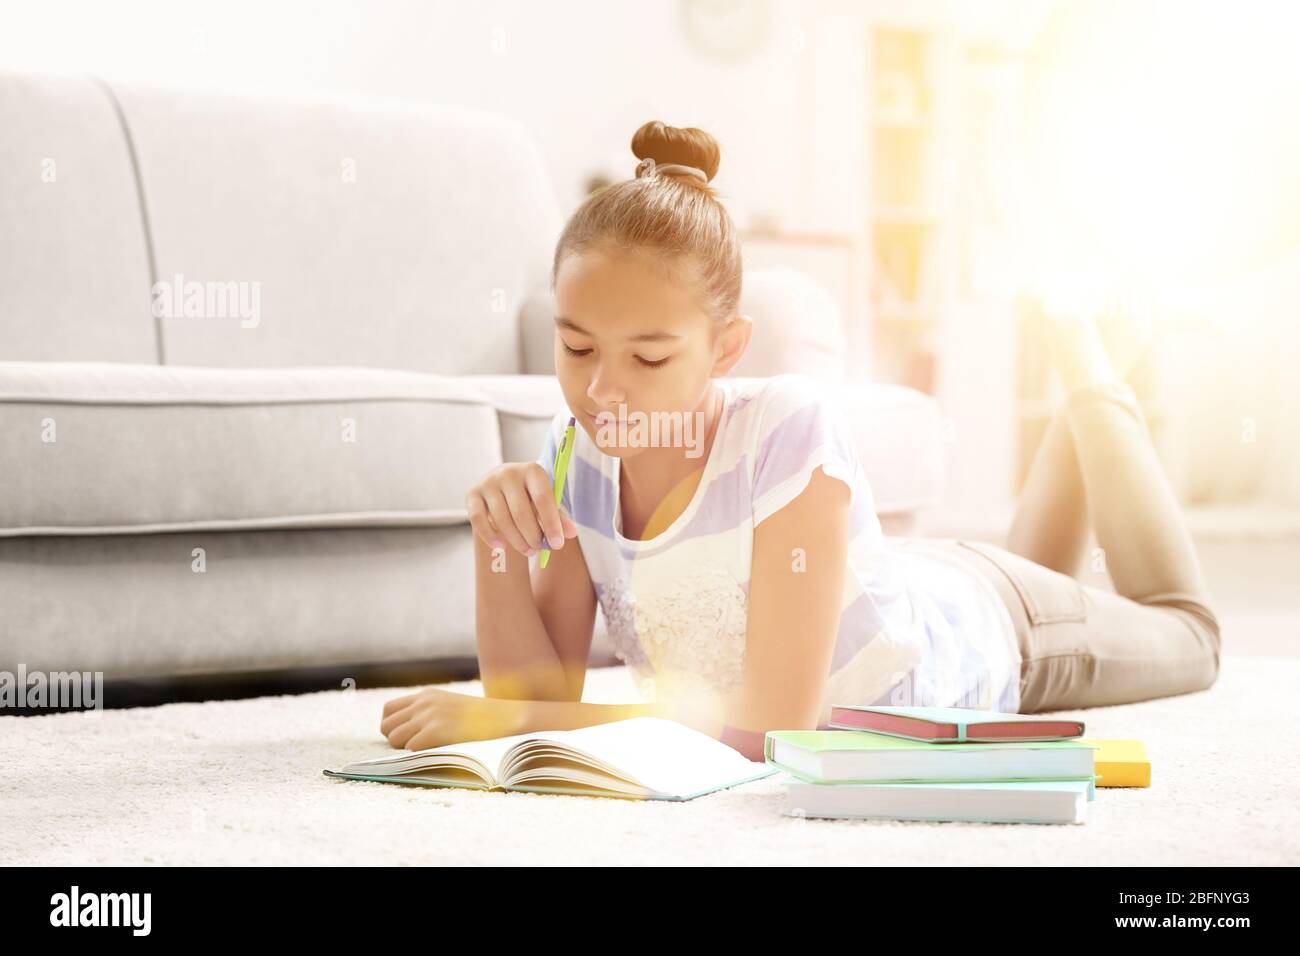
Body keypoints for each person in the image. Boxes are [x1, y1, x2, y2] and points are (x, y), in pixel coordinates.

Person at [381, 122, 1220, 761]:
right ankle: (1082, 417)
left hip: (1002, 635)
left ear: (727, 348)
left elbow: (770, 730)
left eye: (649, 355)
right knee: (1053, 570)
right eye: (576, 347)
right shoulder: (580, 452)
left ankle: (1082, 360)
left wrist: (524, 720)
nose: (603, 389)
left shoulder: (786, 425)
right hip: (919, 588)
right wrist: (494, 546)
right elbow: (536, 692)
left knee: (1190, 636)